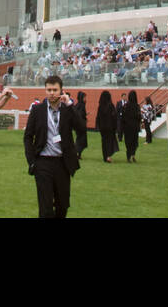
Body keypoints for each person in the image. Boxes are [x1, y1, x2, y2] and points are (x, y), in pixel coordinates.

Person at [24, 75, 87, 217]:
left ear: (61, 91)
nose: (52, 93)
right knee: (45, 208)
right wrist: (32, 162)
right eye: (49, 90)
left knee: (62, 205)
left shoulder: (67, 110)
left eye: (55, 90)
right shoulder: (37, 110)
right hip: (43, 163)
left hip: (62, 163)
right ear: (45, 91)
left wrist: (70, 104)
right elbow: (28, 137)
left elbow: (82, 129)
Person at [96, 90, 119, 162]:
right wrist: (115, 127)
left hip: (102, 127)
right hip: (110, 127)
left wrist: (98, 126)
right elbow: (114, 117)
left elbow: (98, 117)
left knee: (104, 141)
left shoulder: (100, 106)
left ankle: (105, 156)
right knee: (109, 141)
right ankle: (108, 156)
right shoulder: (111, 106)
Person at [121, 90, 142, 162]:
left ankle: (128, 156)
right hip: (135, 127)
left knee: (128, 142)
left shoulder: (125, 106)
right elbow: (139, 117)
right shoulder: (137, 106)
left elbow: (123, 117)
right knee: (134, 141)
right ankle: (133, 154)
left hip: (127, 128)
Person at [74, 92, 89, 156]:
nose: (85, 99)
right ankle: (76, 152)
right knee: (81, 140)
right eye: (84, 97)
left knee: (80, 139)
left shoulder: (78, 105)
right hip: (81, 126)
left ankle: (78, 153)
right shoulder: (81, 105)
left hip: (79, 125)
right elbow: (79, 115)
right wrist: (83, 120)